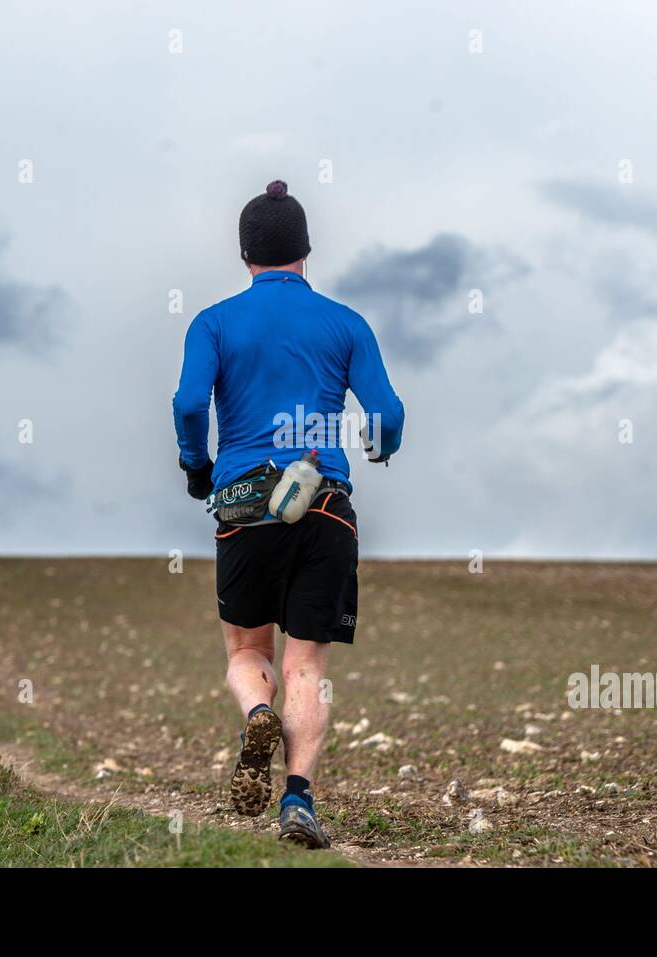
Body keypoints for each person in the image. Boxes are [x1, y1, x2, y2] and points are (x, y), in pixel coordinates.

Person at [171, 180, 404, 848]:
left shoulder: (212, 323)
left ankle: (258, 711)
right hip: (325, 505)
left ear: (245, 254)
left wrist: (198, 465)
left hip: (245, 507)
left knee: (247, 650)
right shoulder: (345, 322)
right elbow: (387, 415)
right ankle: (297, 799)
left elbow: (189, 402)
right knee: (308, 664)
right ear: (306, 249)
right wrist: (377, 447)